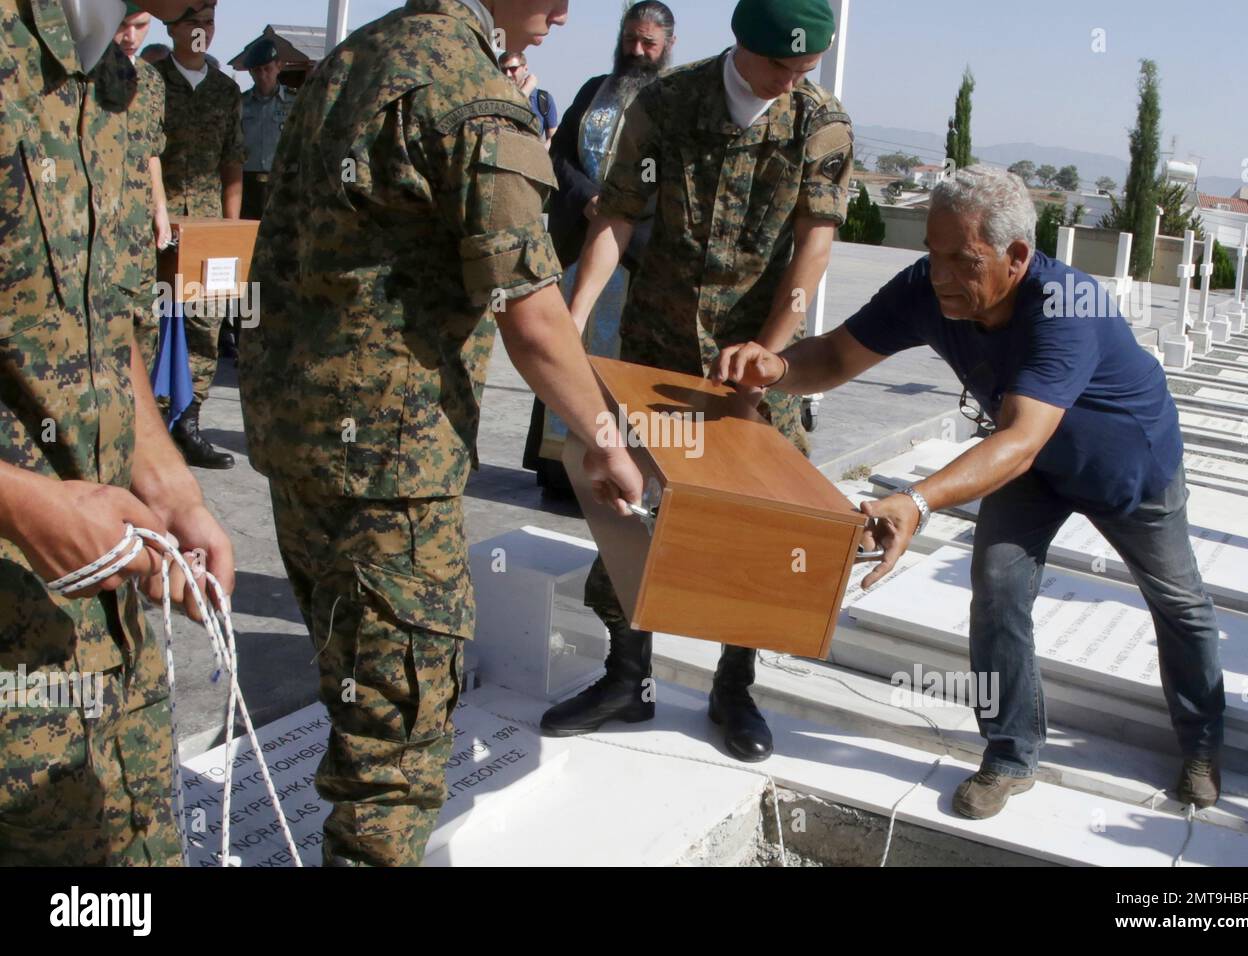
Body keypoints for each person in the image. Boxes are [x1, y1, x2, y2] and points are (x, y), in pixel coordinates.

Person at [239, 0, 642, 867]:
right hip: (389, 458)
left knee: (353, 676)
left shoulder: (358, 55)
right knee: (401, 722)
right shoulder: (472, 93)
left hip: (297, 435)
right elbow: (529, 315)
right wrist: (603, 437)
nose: (565, 12)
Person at [711, 165, 1227, 817]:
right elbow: (839, 358)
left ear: (1017, 256)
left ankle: (1204, 745)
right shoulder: (926, 289)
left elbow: (1019, 437)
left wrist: (918, 500)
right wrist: (778, 367)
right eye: (933, 254)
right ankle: (1011, 752)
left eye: (962, 260)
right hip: (1031, 466)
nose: (942, 275)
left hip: (1127, 465)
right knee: (998, 585)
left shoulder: (1068, 305)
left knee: (1177, 600)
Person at [540, 0, 854, 764]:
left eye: (805, 68)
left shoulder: (822, 127)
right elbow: (614, 216)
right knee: (626, 503)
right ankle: (627, 676)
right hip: (657, 350)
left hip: (754, 363)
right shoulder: (668, 102)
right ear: (742, 45)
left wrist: (772, 353)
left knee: (759, 525)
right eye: (780, 65)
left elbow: (812, 253)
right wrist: (575, 317)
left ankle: (734, 685)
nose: (790, 81)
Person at [1, 0, 234, 866]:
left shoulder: (118, 86)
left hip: (109, 633)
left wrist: (165, 476)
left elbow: (106, 330)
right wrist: (25, 503)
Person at [522, 0, 676, 494]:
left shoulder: (674, 101)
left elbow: (672, 179)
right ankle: (559, 471)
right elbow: (560, 153)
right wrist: (589, 197)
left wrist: (624, 211)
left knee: (619, 366)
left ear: (667, 46)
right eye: (630, 39)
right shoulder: (595, 90)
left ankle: (612, 473)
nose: (636, 50)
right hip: (576, 243)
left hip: (636, 255)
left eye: (648, 43)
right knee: (567, 342)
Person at [157, 2, 245, 469]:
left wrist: (231, 232)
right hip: (157, 225)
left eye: (209, 20)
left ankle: (189, 425)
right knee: (152, 324)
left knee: (205, 327)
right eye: (193, 18)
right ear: (170, 25)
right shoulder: (149, 82)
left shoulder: (226, 90)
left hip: (208, 226)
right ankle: (148, 430)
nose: (201, 29)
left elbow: (233, 161)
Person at [113, 2, 173, 375]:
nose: (131, 37)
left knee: (145, 321)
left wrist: (160, 210)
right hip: (99, 218)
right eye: (123, 26)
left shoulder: (151, 82)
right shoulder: (83, 72)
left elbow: (153, 152)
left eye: (141, 25)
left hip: (138, 224)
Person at [238, 36, 295, 221]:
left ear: (279, 66)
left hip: (283, 181)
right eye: (256, 70)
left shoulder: (295, 101)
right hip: (247, 183)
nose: (262, 75)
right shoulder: (240, 103)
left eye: (267, 69)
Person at [499, 51, 558, 147]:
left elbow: (553, 137)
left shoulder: (543, 99)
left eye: (513, 69)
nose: (508, 74)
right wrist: (526, 90)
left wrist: (540, 153)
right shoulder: (497, 97)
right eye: (503, 70)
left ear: (525, 68)